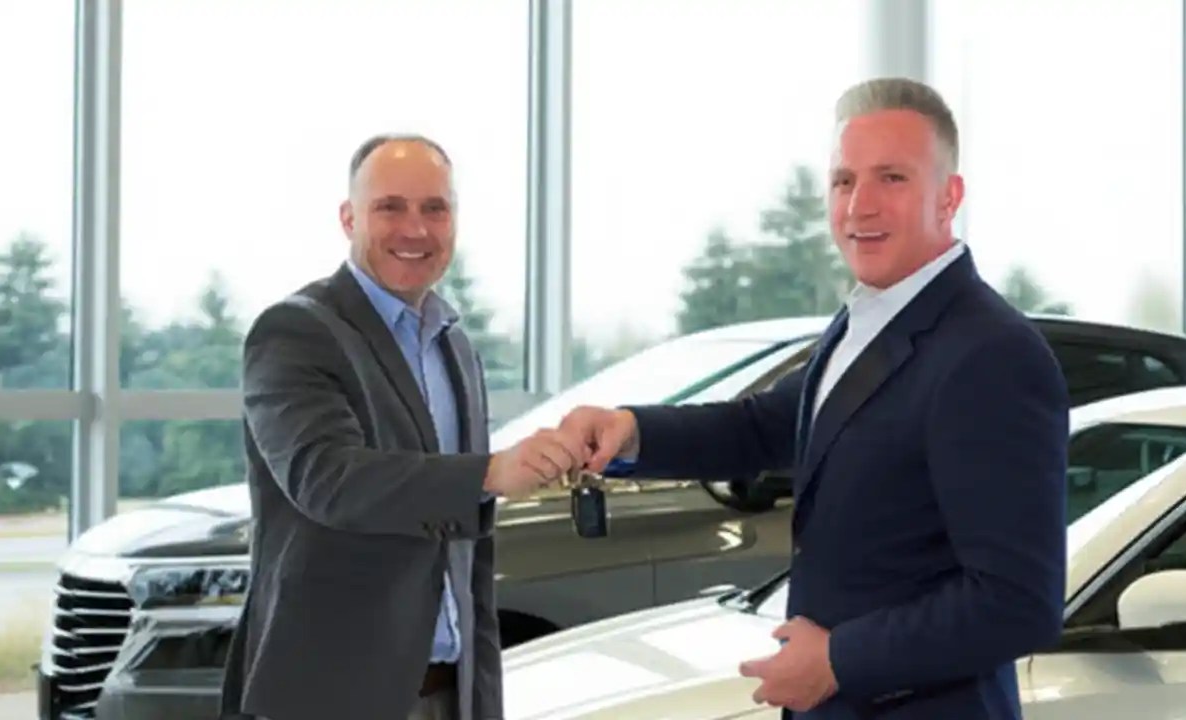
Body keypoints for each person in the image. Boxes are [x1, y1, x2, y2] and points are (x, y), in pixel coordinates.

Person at [558, 77, 1070, 720]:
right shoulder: (871, 319)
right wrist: (630, 430)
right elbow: (762, 427)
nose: (860, 206)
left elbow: (1017, 603)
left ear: (949, 197)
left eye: (891, 178)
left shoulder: (991, 354)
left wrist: (837, 661)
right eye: (843, 181)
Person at [219, 134, 587, 720]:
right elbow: (327, 478)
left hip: (449, 691)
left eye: (434, 209)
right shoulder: (294, 331)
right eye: (390, 207)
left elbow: (465, 554)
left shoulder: (453, 344)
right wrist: (491, 472)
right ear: (349, 218)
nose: (415, 230)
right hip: (332, 699)